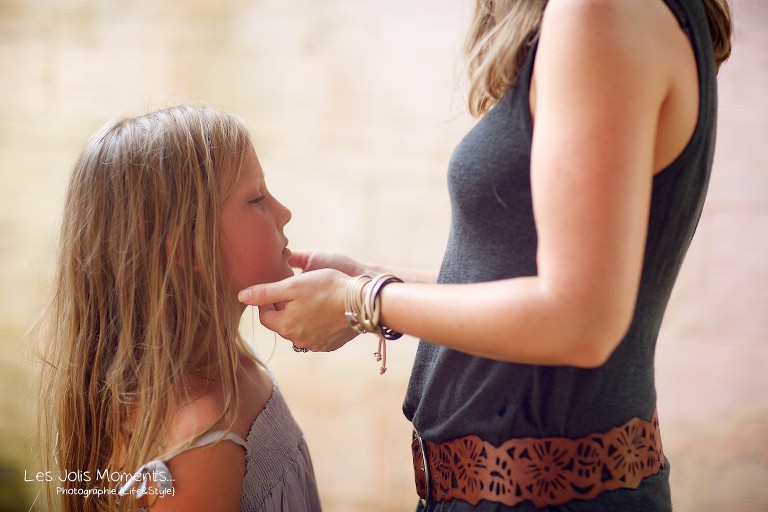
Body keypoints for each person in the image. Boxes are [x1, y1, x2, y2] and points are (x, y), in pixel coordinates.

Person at [237, 0, 733, 510]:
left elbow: (581, 320)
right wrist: (374, 280)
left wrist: (365, 300)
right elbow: (537, 282)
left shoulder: (600, 12)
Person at [35, 105, 321, 512]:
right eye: (257, 198)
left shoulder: (234, 360)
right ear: (189, 246)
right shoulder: (201, 449)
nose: (283, 212)